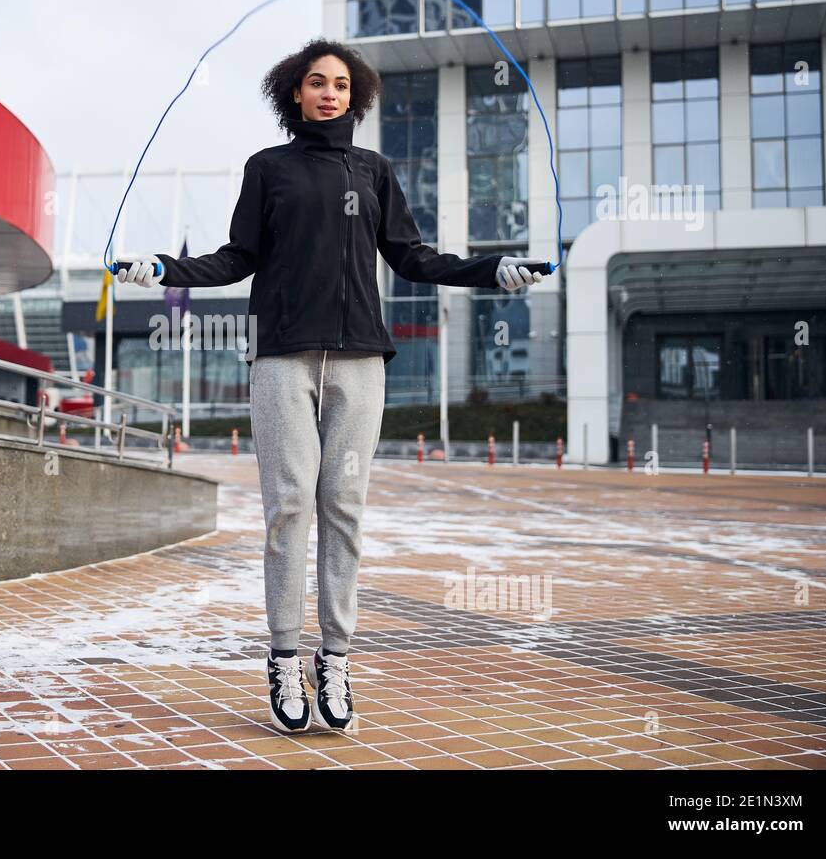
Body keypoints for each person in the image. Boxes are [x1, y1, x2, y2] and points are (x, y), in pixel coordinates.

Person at [116, 38, 546, 733]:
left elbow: (412, 258)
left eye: (341, 86)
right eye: (316, 83)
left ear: (355, 98)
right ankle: (284, 657)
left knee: (343, 508)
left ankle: (336, 658)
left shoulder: (374, 172)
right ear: (294, 93)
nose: (329, 94)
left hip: (360, 365)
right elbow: (236, 258)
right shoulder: (269, 169)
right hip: (282, 359)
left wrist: (492, 271)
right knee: (289, 507)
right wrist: (162, 270)